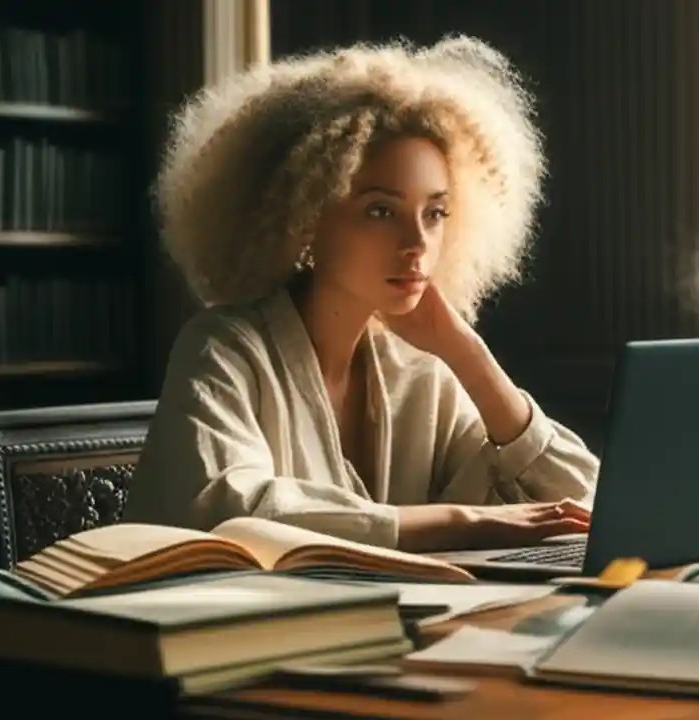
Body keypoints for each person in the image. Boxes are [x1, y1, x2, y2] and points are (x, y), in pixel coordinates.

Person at [124, 36, 598, 553]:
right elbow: (232, 512)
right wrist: (461, 520)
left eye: (435, 213)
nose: (417, 242)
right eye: (380, 211)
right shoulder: (224, 351)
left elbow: (580, 502)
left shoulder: (422, 371)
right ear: (305, 216)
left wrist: (467, 354)